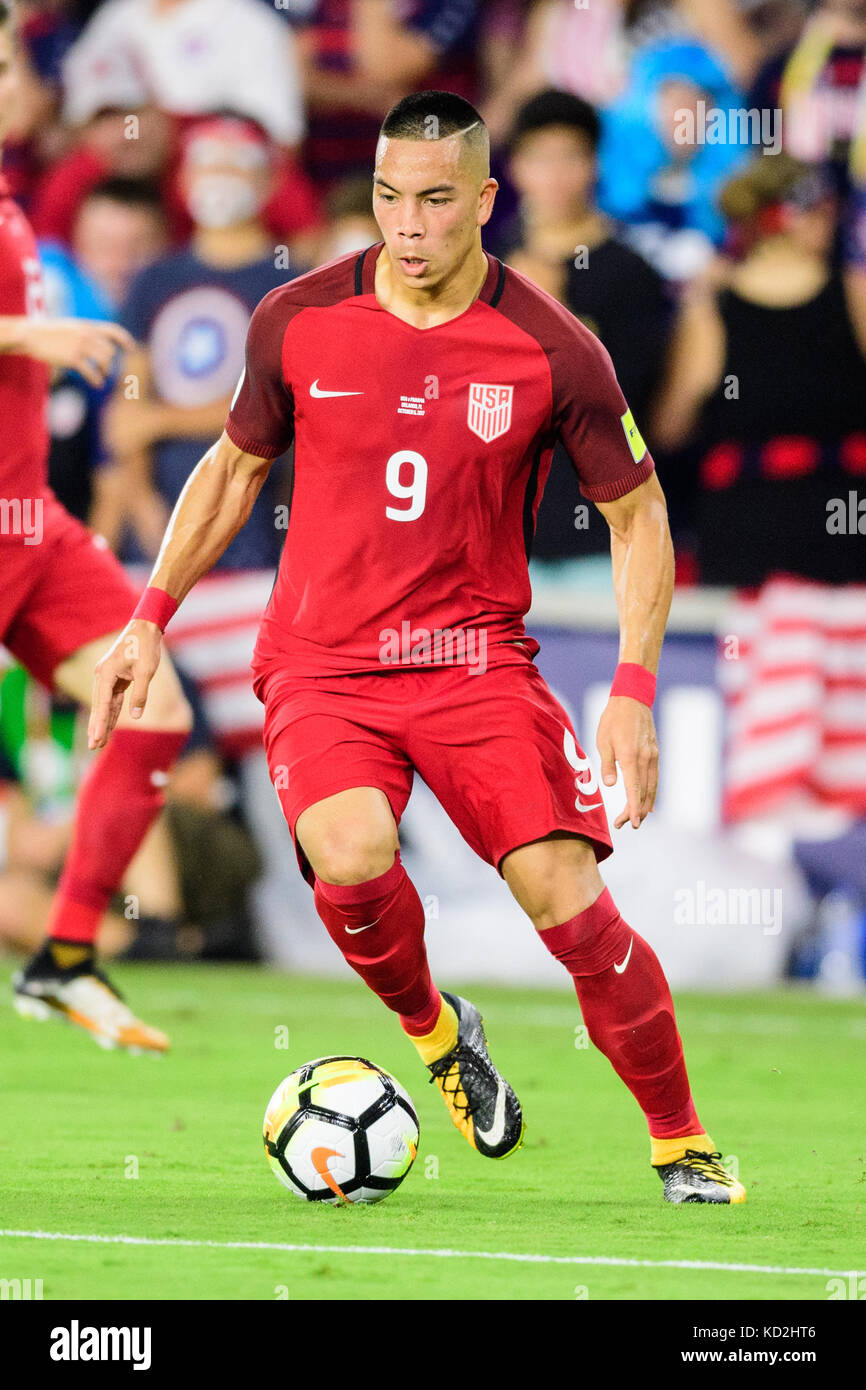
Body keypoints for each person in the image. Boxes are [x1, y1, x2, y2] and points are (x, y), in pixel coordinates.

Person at [91, 89, 746, 1205]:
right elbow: (232, 468)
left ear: (485, 200)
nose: (406, 223)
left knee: (564, 896)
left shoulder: (552, 347)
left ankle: (679, 1139)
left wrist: (631, 686)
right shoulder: (295, 319)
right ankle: (438, 1035)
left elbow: (637, 514)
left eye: (435, 200)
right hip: (322, 660)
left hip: (474, 662)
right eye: (390, 197)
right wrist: (147, 615)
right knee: (346, 851)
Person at [0, 3, 193, 1053]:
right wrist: (32, 330)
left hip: (33, 528)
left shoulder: (14, 203)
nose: (19, 84)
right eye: (1, 65)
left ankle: (65, 955)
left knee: (152, 702)